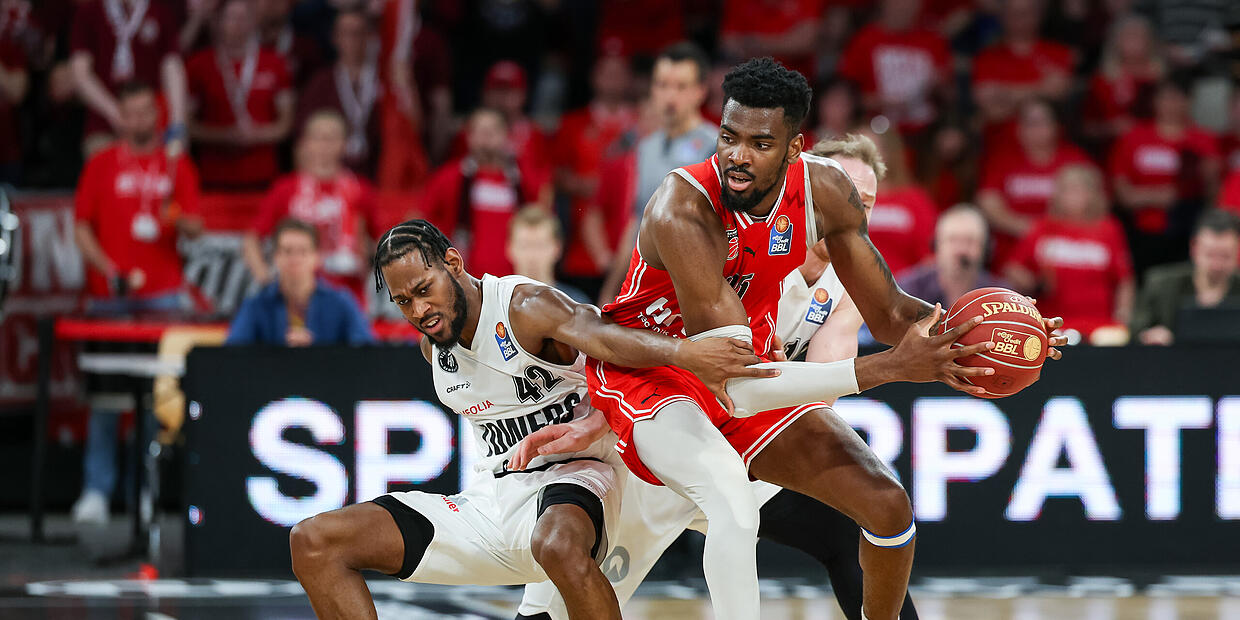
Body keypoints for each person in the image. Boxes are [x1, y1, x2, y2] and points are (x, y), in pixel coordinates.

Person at [580, 57, 1065, 620]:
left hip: (746, 373)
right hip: (654, 379)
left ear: (794, 149)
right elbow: (735, 381)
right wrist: (889, 368)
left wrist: (979, 337)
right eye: (729, 137)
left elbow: (891, 315)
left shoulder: (825, 191)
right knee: (700, 523)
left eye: (760, 143)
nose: (737, 155)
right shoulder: (683, 208)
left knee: (886, 505)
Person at [512, 134, 922, 620]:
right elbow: (652, 339)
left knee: (854, 526)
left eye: (863, 201)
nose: (849, 206)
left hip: (748, 435)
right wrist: (602, 418)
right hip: (669, 439)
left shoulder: (850, 284)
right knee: (558, 601)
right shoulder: (734, 243)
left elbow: (818, 391)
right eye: (841, 189)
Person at [288, 219, 774, 619]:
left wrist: (686, 355)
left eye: (423, 289)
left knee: (558, 543)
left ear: (453, 263)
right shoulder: (432, 348)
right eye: (403, 302)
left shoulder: (525, 308)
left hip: (582, 478)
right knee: (314, 541)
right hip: (496, 498)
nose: (419, 310)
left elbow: (607, 337)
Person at [70, 80, 203, 524]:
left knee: (156, 402)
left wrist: (174, 217)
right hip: (110, 296)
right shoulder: (101, 163)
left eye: (147, 111)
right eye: (131, 112)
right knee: (105, 399)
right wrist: (108, 270)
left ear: (158, 115)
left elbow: (196, 227)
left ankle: (144, 493)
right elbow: (81, 226)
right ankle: (96, 490)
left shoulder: (176, 164)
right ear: (119, 117)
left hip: (164, 297)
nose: (139, 120)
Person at [600, 42, 717, 304]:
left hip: (691, 289)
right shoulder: (646, 148)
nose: (670, 96)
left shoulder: (716, 147)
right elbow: (637, 222)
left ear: (700, 91)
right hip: (644, 285)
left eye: (681, 87)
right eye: (662, 85)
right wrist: (610, 289)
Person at [245, 111, 384, 306]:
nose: (324, 145)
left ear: (344, 144)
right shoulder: (285, 189)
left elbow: (383, 243)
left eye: (331, 138)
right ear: (306, 143)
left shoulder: (360, 189)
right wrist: (265, 277)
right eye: (317, 137)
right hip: (295, 296)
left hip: (349, 296)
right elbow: (252, 240)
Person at [1004, 165, 1135, 336]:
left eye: (1078, 190)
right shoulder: (1043, 228)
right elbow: (1012, 268)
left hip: (1100, 325)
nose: (1071, 196)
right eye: (1066, 190)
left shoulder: (1109, 229)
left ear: (1092, 194)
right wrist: (1033, 283)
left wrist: (1122, 316)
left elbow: (1124, 280)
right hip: (1051, 324)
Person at [1108, 76, 1220, 275]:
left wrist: (1203, 183)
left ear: (1189, 101)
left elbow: (1212, 192)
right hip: (1140, 231)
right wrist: (1158, 196)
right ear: (1155, 101)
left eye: (1178, 98)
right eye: (1166, 98)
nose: (1171, 104)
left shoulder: (1204, 140)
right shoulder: (1134, 137)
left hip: (1188, 230)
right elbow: (1121, 192)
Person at [421, 108, 550, 278]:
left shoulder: (525, 178)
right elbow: (420, 223)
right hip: (465, 281)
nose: (486, 137)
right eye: (480, 131)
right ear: (468, 137)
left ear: (506, 136)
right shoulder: (448, 178)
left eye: (493, 130)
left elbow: (544, 221)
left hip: (515, 281)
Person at [552, 50, 638, 298]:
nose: (612, 79)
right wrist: (590, 186)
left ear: (629, 78)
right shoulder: (573, 123)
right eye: (606, 72)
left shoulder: (643, 123)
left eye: (618, 72)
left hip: (630, 243)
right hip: (581, 251)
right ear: (593, 76)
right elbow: (555, 174)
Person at [185, 0, 294, 191]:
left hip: (263, 174)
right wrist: (224, 136)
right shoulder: (198, 64)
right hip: (213, 175)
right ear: (218, 21)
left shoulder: (275, 62)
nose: (238, 24)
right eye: (232, 17)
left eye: (244, 18)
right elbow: (187, 124)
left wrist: (256, 135)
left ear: (254, 21)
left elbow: (286, 123)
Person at [976, 99, 1093, 265]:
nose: (1035, 129)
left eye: (1041, 122)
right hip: (1011, 254)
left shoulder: (1075, 160)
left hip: (1067, 254)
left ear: (1057, 126)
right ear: (1018, 128)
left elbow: (1093, 205)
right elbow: (989, 204)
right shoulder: (1002, 160)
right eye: (1029, 123)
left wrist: (1053, 232)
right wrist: (1032, 229)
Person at [228, 218, 374, 346]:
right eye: (287, 251)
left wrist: (316, 355)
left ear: (316, 257)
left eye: (303, 251)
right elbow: (233, 356)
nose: (295, 259)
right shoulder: (255, 306)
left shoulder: (341, 303)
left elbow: (366, 354)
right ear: (275, 256)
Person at [70, 0, 188, 156]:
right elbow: (81, 74)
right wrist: (116, 113)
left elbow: (172, 67)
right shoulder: (90, 11)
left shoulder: (159, 10)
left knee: (170, 159)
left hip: (152, 125)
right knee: (103, 161)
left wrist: (177, 121)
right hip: (104, 124)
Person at [837, 0, 950, 135]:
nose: (904, 6)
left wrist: (938, 84)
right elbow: (846, 96)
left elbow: (948, 93)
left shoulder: (933, 40)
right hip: (878, 131)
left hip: (926, 131)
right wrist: (883, 102)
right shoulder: (865, 40)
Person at [1130, 209, 1240, 345]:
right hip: (1172, 357)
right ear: (1194, 247)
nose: (1217, 265)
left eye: (1225, 256)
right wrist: (1149, 335)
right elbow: (1134, 330)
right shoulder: (1162, 284)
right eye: (1210, 255)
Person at [297, 10, 382, 176]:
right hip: (332, 173)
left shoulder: (383, 80)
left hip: (376, 172)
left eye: (358, 33)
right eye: (346, 33)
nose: (352, 40)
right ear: (335, 38)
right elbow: (303, 136)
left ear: (369, 37)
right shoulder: (321, 82)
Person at [899, 204, 1009, 308]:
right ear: (936, 245)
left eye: (970, 241)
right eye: (953, 240)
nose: (961, 250)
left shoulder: (1001, 295)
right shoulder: (909, 290)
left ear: (985, 248)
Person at [506, 207, 590, 303]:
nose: (532, 255)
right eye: (524, 246)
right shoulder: (495, 303)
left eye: (540, 246)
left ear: (557, 248)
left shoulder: (575, 303)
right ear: (510, 248)